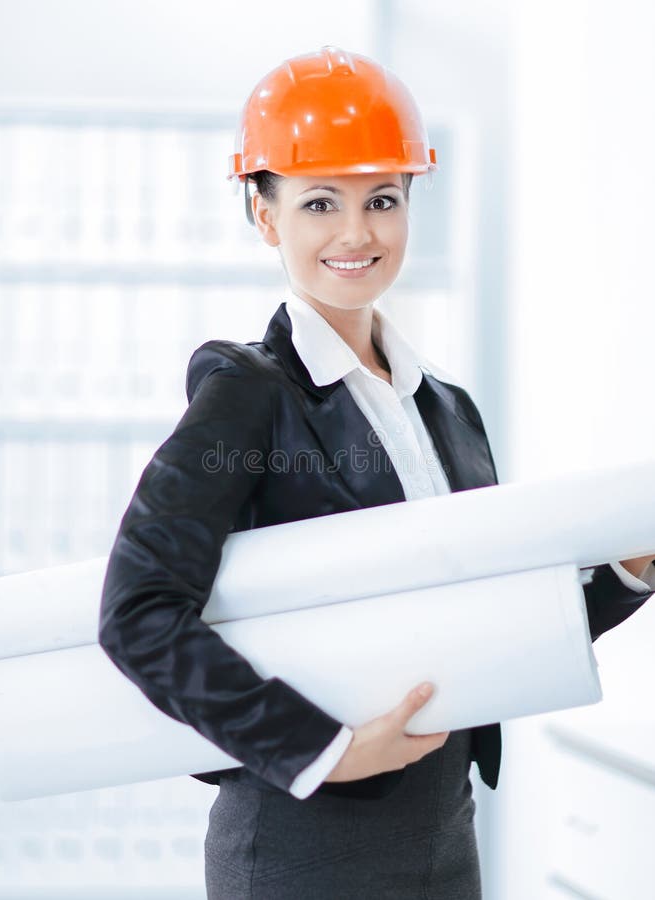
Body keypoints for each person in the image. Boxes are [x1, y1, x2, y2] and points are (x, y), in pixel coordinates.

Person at [98, 45, 655, 899]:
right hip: (304, 839)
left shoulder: (447, 409)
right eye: (320, 202)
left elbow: (485, 631)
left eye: (382, 199)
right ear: (263, 213)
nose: (357, 232)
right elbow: (137, 612)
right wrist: (322, 748)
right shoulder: (248, 396)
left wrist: (625, 572)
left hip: (444, 825)